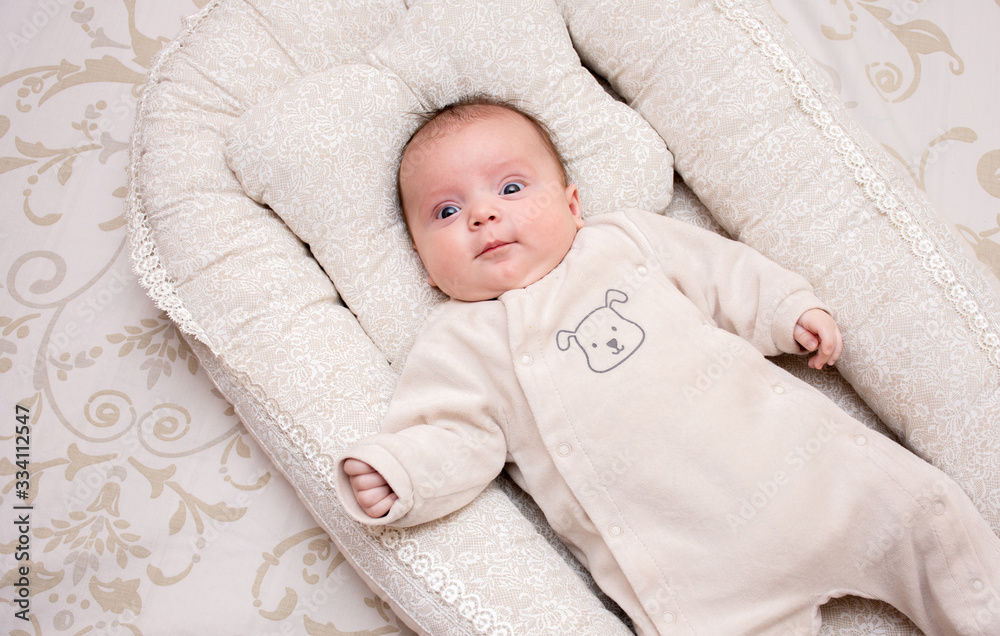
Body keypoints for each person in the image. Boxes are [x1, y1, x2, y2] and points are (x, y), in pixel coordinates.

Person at [335, 97, 1000, 635]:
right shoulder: (458, 342)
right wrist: (404, 473)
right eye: (446, 211)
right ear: (424, 262)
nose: (483, 214)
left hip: (811, 475)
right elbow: (452, 435)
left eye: (511, 186)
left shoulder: (623, 242)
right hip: (696, 568)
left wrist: (786, 310)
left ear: (572, 205)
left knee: (923, 515)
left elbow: (723, 275)